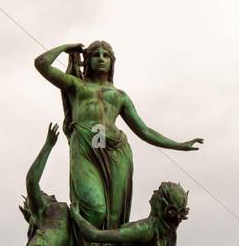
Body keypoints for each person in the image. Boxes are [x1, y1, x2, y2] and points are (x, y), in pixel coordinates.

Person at [34, 40, 202, 230]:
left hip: (116, 150)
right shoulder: (77, 86)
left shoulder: (120, 96)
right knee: (95, 209)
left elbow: (144, 130)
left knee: (114, 217)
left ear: (112, 62)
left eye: (106, 55)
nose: (101, 59)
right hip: (84, 145)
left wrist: (179, 145)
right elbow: (41, 64)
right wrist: (67, 47)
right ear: (87, 60)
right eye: (96, 55)